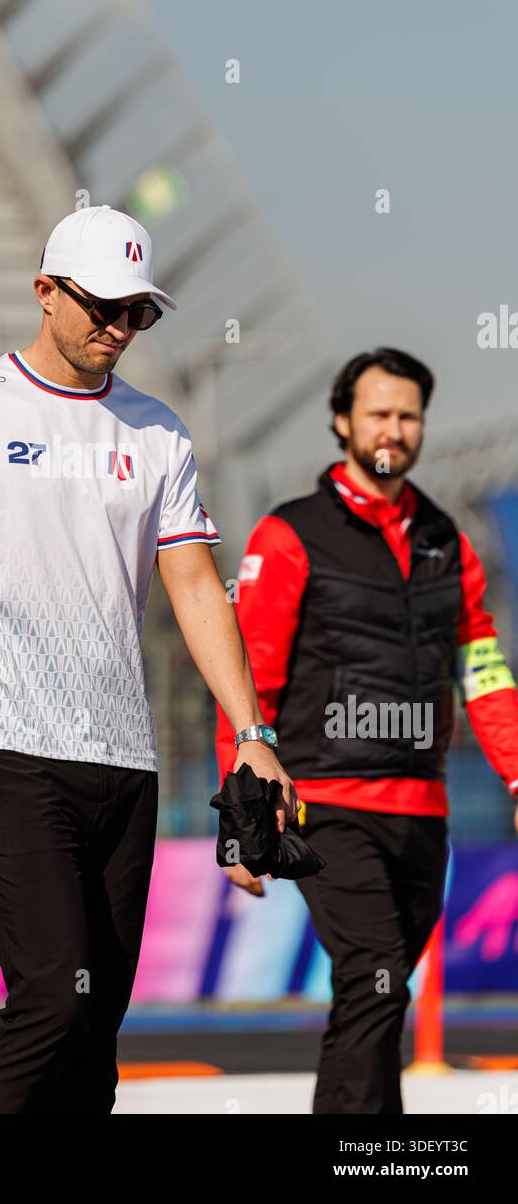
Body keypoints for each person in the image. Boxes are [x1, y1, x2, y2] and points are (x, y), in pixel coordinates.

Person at [0, 204, 298, 1114]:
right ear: (44, 291)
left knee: (93, 1022)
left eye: (137, 312)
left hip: (121, 763)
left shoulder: (158, 432)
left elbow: (196, 588)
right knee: (50, 993)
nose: (118, 327)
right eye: (101, 305)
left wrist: (251, 733)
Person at [216, 347, 518, 1114]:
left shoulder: (447, 538)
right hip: (327, 804)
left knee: (378, 995)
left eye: (408, 415)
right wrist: (241, 820)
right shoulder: (288, 534)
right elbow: (246, 678)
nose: (394, 428)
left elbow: (482, 669)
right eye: (378, 412)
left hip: (421, 811)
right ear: (341, 421)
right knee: (373, 973)